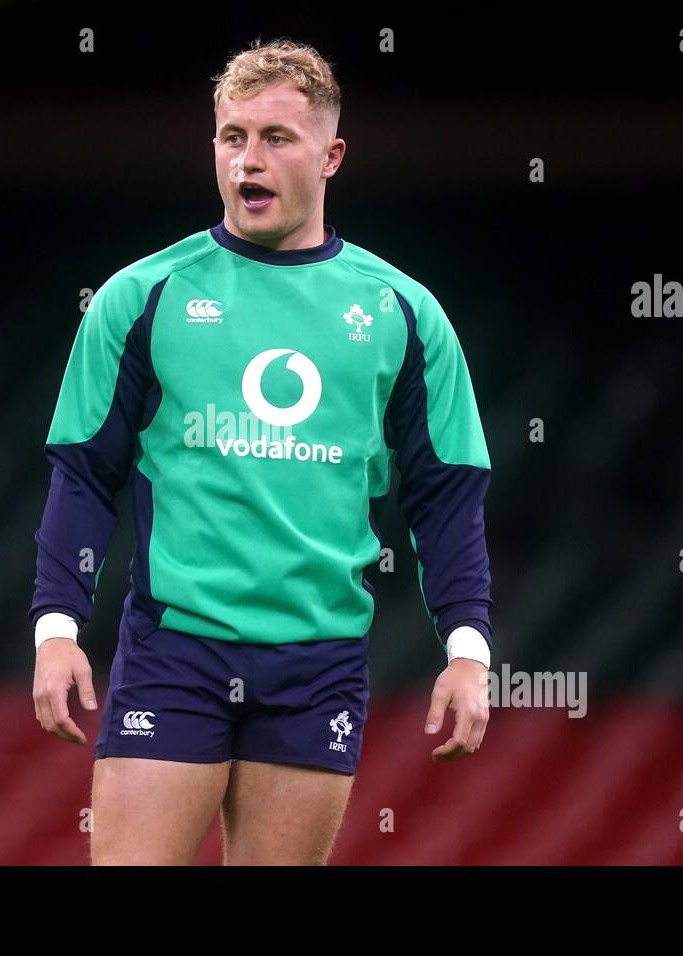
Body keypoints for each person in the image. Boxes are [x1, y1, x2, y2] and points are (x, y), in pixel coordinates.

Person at [29, 38, 493, 865]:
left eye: (277, 138)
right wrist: (56, 628)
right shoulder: (141, 299)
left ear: (331, 154)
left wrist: (467, 649)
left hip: (318, 661)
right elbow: (82, 474)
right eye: (232, 136)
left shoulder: (404, 314)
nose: (249, 158)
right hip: (177, 650)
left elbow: (445, 494)